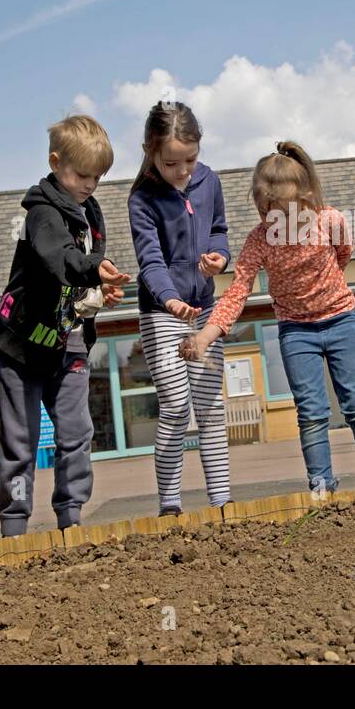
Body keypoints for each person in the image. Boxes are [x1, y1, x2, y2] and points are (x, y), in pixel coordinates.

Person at [181, 142, 355, 494]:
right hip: (296, 332)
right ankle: (321, 482)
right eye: (266, 213)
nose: (274, 221)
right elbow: (237, 292)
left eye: (284, 214)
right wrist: (204, 337)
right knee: (311, 410)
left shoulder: (331, 221)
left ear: (306, 200)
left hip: (341, 321)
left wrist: (324, 291)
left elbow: (344, 256)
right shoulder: (259, 241)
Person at [0, 114, 130, 536]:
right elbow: (59, 258)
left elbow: (78, 280)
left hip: (68, 342)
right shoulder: (42, 215)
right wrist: (92, 269)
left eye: (98, 177)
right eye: (83, 174)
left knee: (76, 431)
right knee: (21, 440)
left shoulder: (91, 213)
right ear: (55, 163)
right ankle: (14, 526)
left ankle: (71, 517)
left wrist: (98, 294)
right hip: (23, 345)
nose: (90, 184)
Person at [128, 101, 234, 516]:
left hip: (205, 309)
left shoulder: (209, 182)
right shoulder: (142, 198)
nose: (184, 170)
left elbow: (219, 232)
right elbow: (150, 258)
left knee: (209, 406)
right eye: (172, 163)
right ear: (150, 152)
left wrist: (218, 260)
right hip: (162, 311)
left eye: (190, 159)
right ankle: (170, 503)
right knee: (175, 405)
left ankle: (221, 500)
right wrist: (169, 299)